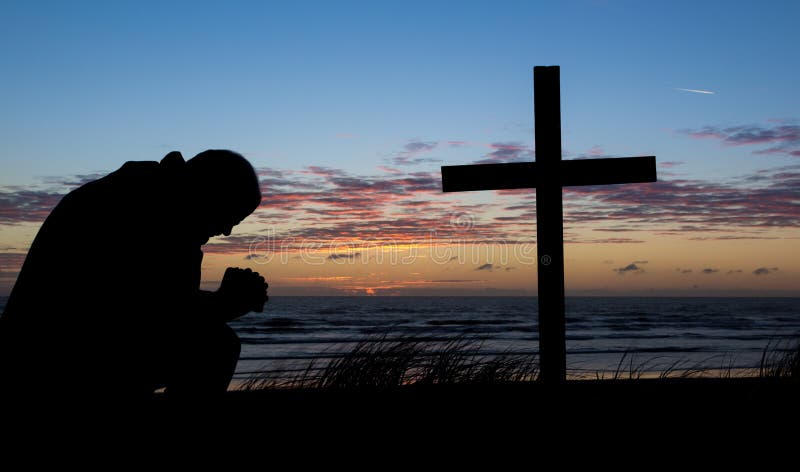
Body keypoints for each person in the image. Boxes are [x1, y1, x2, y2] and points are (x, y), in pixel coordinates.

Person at [0, 150, 267, 404]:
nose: (227, 230)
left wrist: (222, 301)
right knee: (215, 346)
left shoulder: (151, 193)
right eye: (230, 215)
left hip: (51, 348)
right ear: (212, 192)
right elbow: (146, 316)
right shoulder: (153, 208)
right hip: (54, 360)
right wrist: (224, 304)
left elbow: (151, 299)